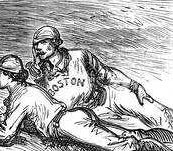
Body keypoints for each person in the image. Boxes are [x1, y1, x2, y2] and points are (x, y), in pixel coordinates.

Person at [0, 55, 171, 151]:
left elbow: (7, 134)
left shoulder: (23, 96)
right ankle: (164, 139)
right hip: (70, 118)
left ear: (9, 76)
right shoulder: (23, 92)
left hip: (66, 124)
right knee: (125, 136)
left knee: (121, 148)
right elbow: (15, 120)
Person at [27, 25, 173, 131]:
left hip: (108, 97)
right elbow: (44, 107)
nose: (38, 47)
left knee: (157, 112)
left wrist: (135, 86)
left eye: (43, 42)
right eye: (36, 45)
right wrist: (39, 79)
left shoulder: (80, 56)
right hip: (91, 114)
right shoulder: (40, 76)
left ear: (55, 42)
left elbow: (107, 74)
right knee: (135, 134)